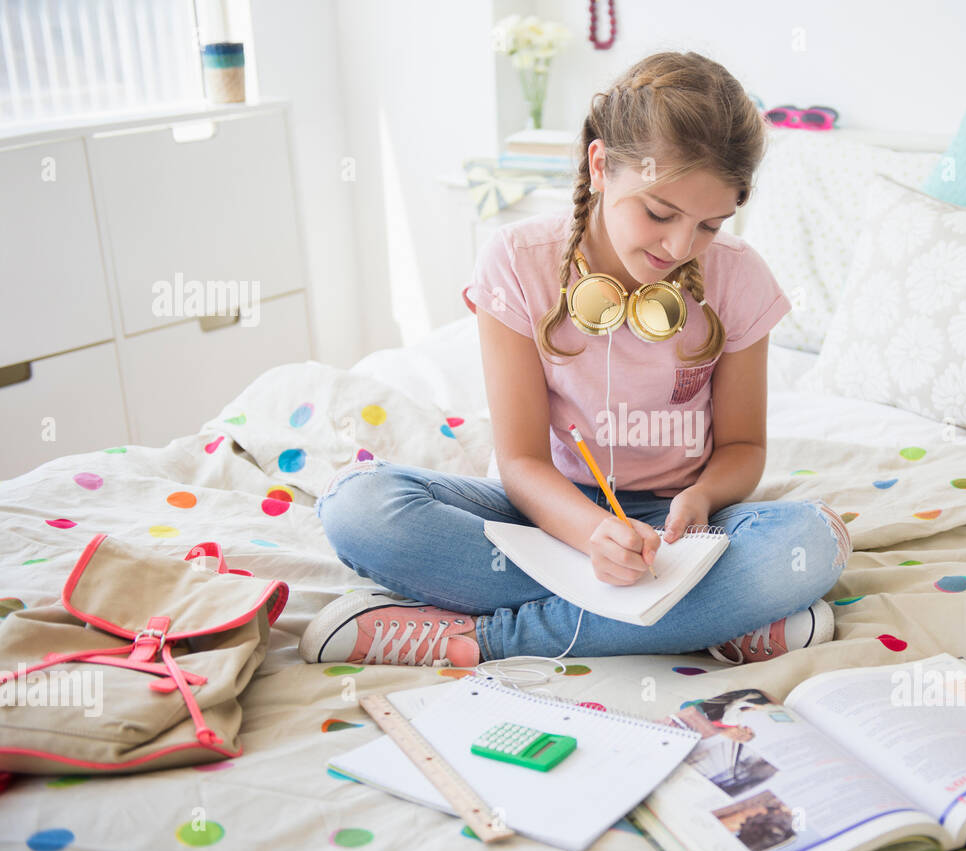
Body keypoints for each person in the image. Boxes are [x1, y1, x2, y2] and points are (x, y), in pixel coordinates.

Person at [302, 51, 852, 670]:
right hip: (548, 514)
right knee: (358, 506)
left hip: (681, 528)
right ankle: (707, 616)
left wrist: (700, 500)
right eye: (659, 213)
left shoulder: (741, 277)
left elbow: (744, 447)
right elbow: (521, 460)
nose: (680, 246)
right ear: (600, 166)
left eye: (708, 225)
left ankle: (486, 641)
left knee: (813, 541)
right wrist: (592, 535)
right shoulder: (515, 259)